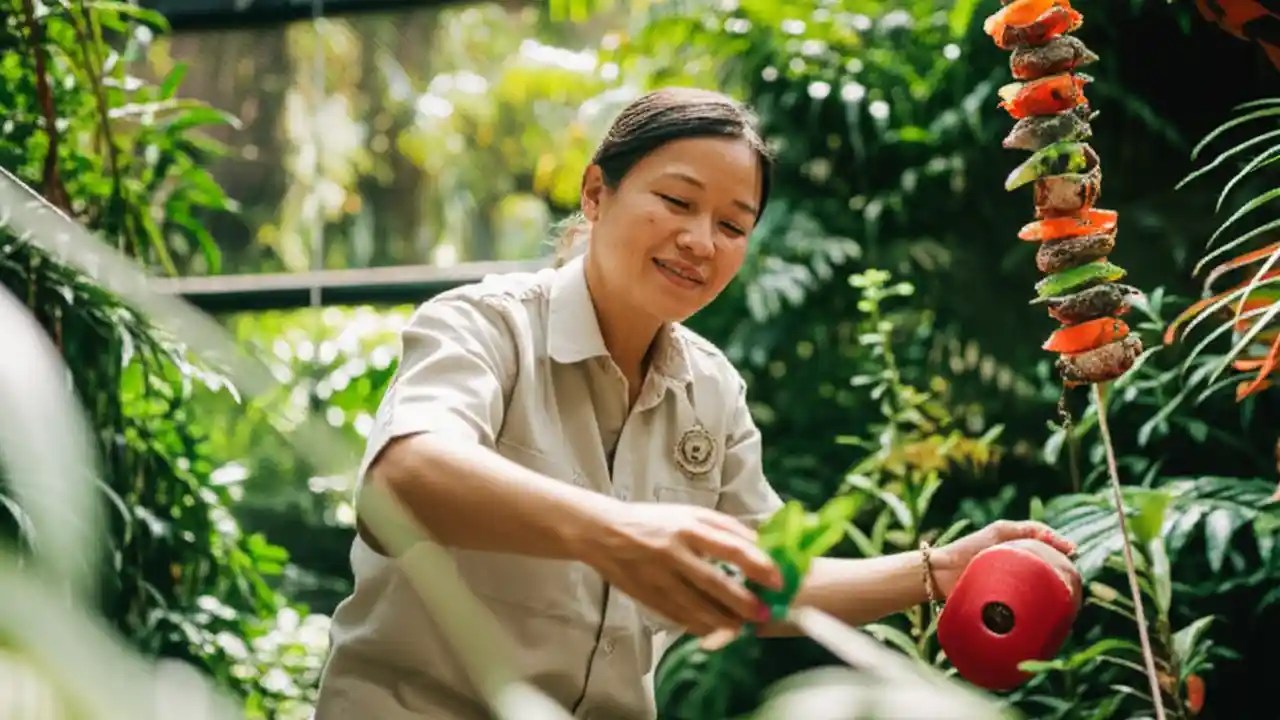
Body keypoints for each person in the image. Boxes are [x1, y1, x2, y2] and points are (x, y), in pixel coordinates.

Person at [312, 86, 1081, 720]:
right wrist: (617, 533)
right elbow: (402, 479)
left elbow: (763, 584)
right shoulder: (486, 325)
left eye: (732, 225)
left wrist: (936, 570)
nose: (700, 241)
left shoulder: (709, 388)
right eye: (676, 202)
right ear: (595, 192)